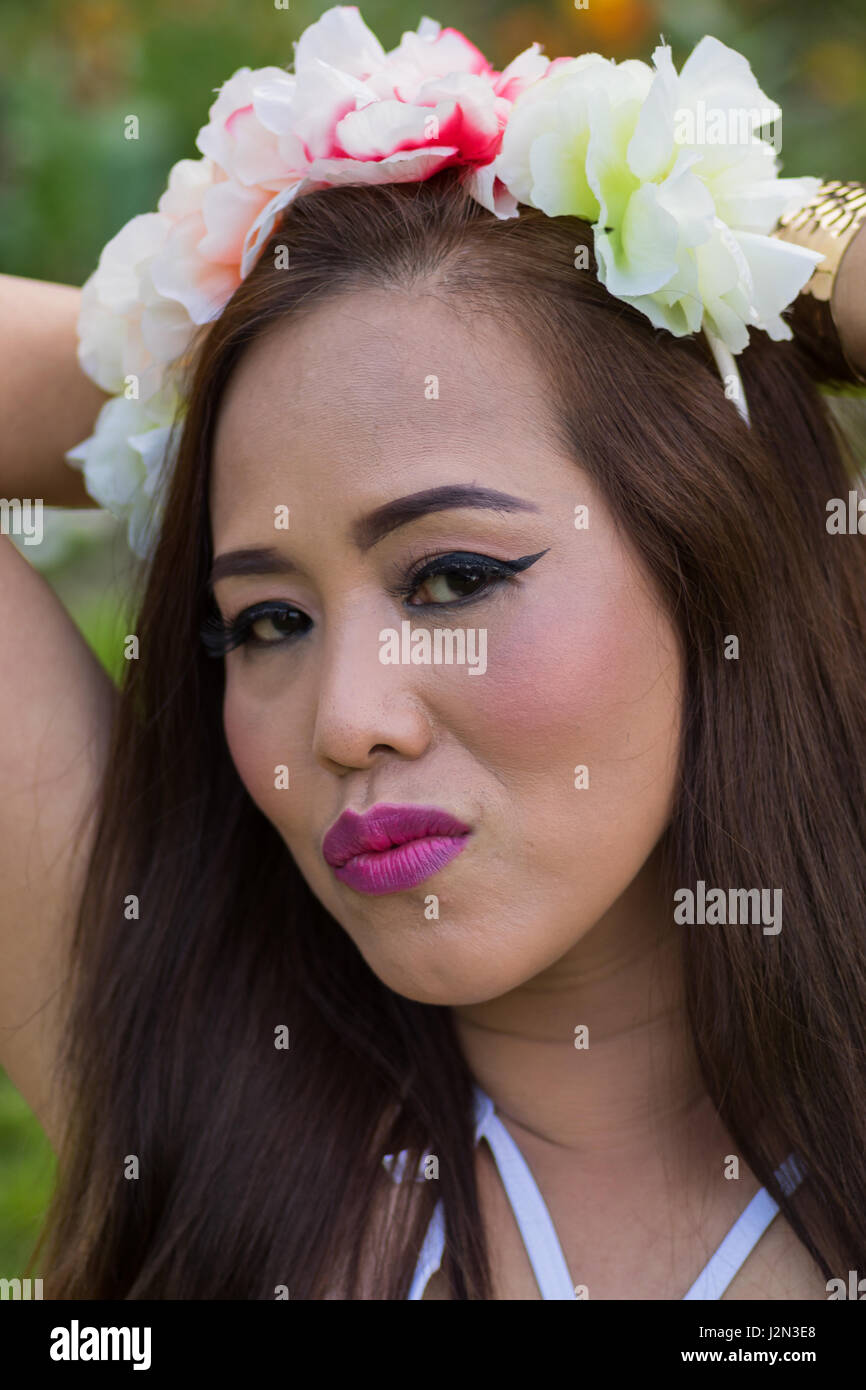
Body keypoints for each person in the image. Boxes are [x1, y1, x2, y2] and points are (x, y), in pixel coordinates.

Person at [1, 8, 866, 1300]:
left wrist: (717, 261)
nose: (344, 719)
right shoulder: (207, 1114)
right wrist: (204, 347)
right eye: (266, 622)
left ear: (712, 553)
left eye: (451, 577)